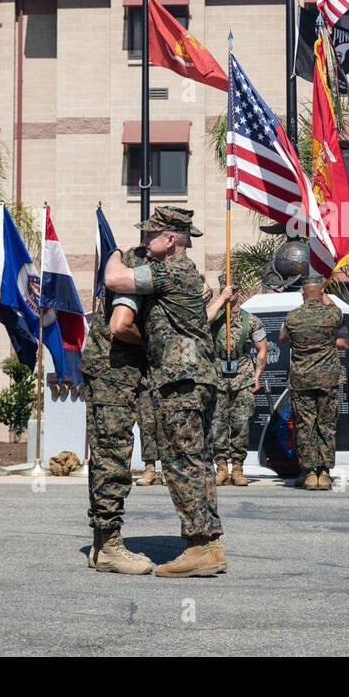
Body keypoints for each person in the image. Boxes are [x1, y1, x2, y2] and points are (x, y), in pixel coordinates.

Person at [104, 206, 225, 577]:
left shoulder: (171, 271)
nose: (144, 240)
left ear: (171, 240)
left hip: (180, 383)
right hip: (194, 379)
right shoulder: (186, 275)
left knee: (181, 464)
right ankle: (209, 543)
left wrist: (112, 251)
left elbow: (114, 280)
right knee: (198, 463)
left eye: (151, 234)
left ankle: (198, 547)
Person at [79, 242, 154, 575]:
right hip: (114, 373)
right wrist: (150, 343)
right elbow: (121, 325)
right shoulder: (138, 271)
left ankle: (101, 543)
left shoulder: (126, 262)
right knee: (113, 455)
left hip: (107, 372)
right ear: (167, 240)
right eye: (182, 241)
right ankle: (109, 546)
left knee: (106, 454)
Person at [279, 276, 347, 490]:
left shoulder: (292, 317)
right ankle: (324, 473)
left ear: (302, 293)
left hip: (302, 379)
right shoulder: (332, 314)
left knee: (305, 425)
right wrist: (323, 295)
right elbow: (336, 310)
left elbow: (282, 338)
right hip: (327, 379)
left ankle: (309, 473)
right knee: (326, 425)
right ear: (319, 292)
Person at [207, 275, 267, 486]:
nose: (230, 295)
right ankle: (221, 467)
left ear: (238, 292)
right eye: (226, 290)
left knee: (241, 424)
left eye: (233, 291)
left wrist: (257, 375)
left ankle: (239, 467)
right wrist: (220, 300)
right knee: (217, 425)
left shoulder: (250, 320)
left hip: (242, 376)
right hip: (217, 378)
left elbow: (262, 350)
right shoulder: (213, 317)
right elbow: (202, 321)